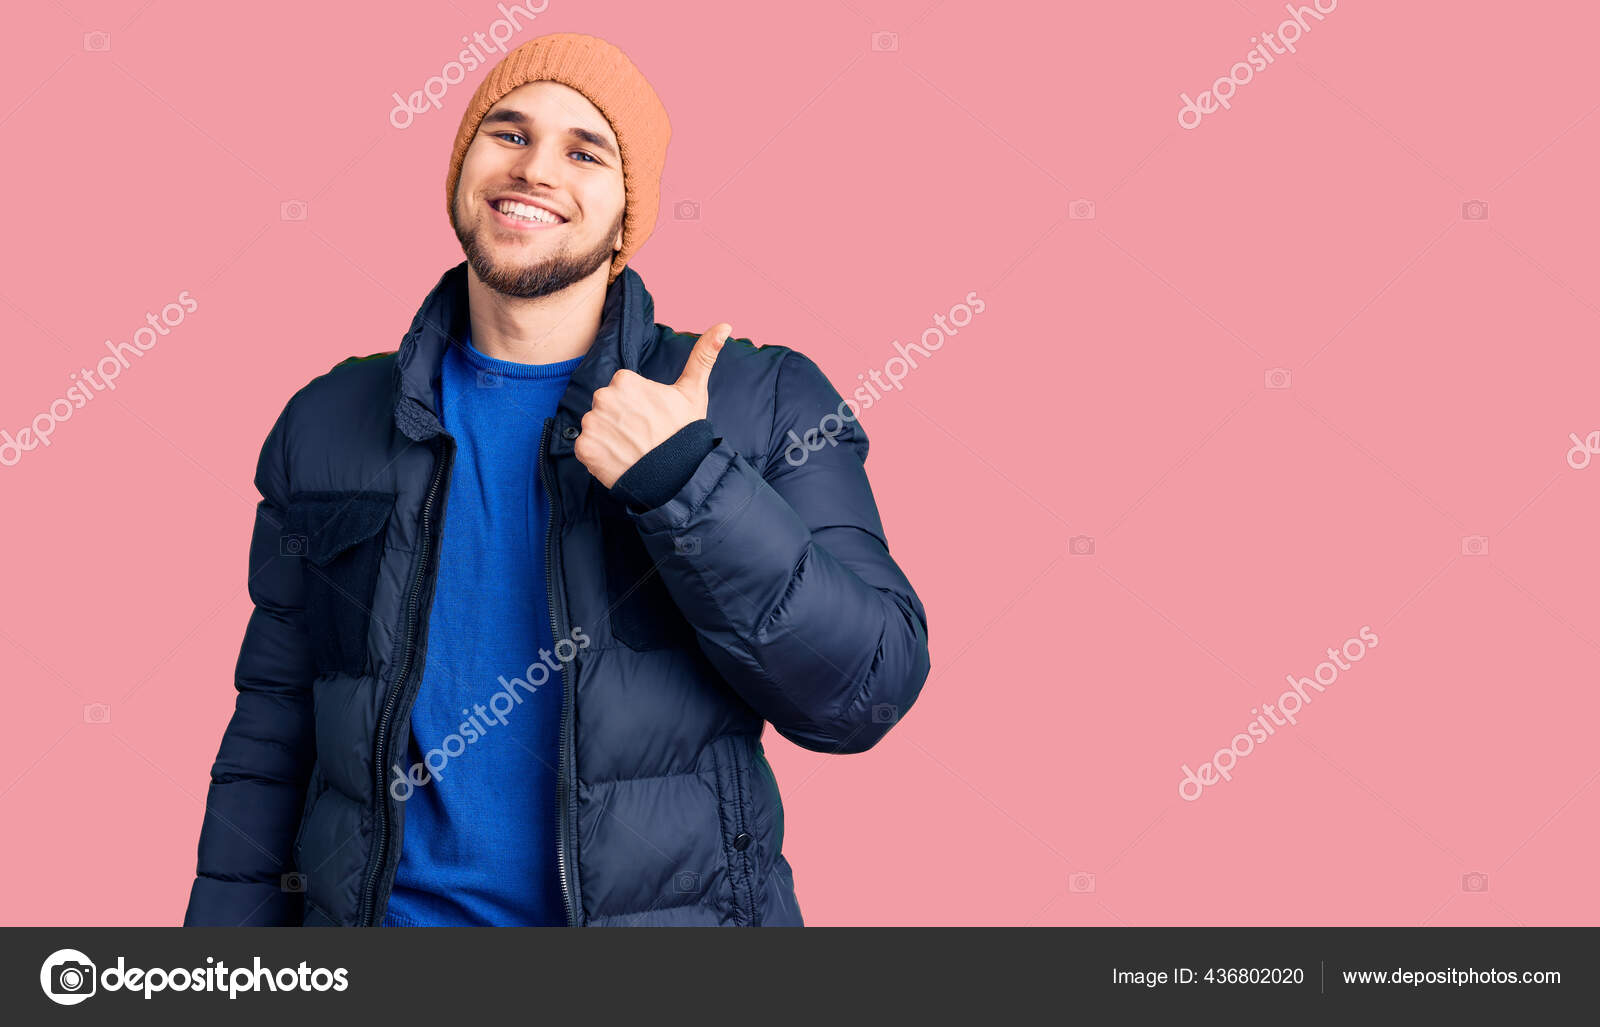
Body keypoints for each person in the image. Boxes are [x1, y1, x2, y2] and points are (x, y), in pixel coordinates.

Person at [182, 31, 930, 927]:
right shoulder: (329, 420)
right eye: (508, 133)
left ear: (627, 212)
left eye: (585, 151)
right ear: (462, 168)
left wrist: (687, 480)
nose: (535, 169)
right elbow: (271, 738)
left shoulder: (757, 398)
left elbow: (865, 690)